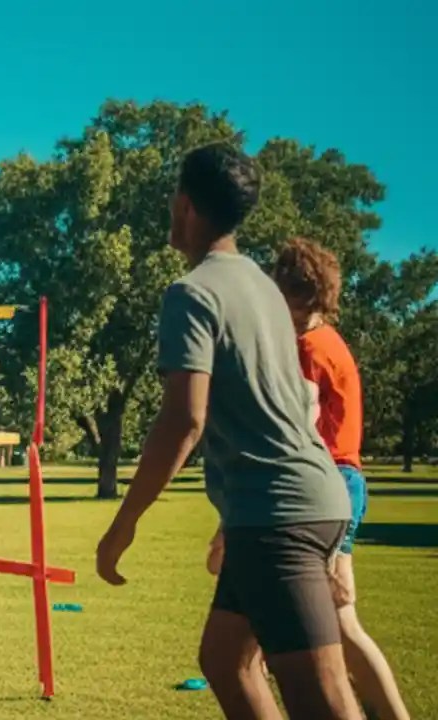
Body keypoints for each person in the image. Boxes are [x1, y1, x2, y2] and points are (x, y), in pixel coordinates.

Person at [94, 143, 361, 719]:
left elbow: (183, 421)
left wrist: (123, 524)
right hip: (289, 503)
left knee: (322, 696)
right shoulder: (263, 287)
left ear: (184, 206)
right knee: (225, 660)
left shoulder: (191, 293)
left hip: (279, 514)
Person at [270, 237, 410, 719]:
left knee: (342, 622)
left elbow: (297, 430)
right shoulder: (327, 340)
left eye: (288, 302)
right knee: (339, 622)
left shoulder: (309, 349)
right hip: (341, 482)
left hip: (328, 484)